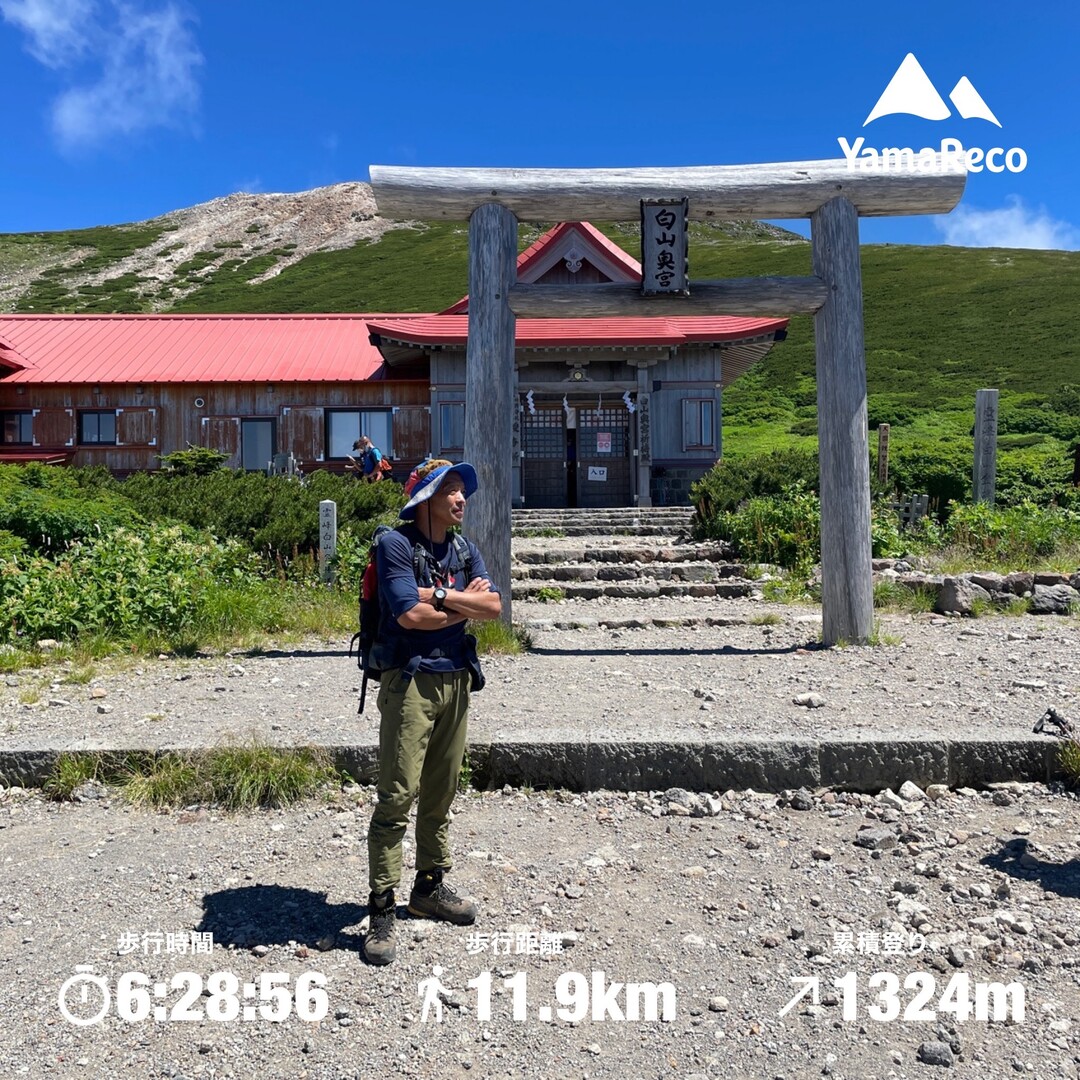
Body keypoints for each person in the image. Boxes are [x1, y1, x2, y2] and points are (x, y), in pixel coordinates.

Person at [363, 459, 502, 966]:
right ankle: (381, 906)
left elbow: (494, 609)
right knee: (398, 794)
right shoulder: (395, 544)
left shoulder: (464, 548)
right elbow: (410, 615)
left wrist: (440, 593)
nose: (461, 499)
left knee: (442, 790)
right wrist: (461, 602)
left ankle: (427, 888)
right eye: (451, 490)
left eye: (463, 490)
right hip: (411, 680)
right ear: (425, 497)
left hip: (457, 677)